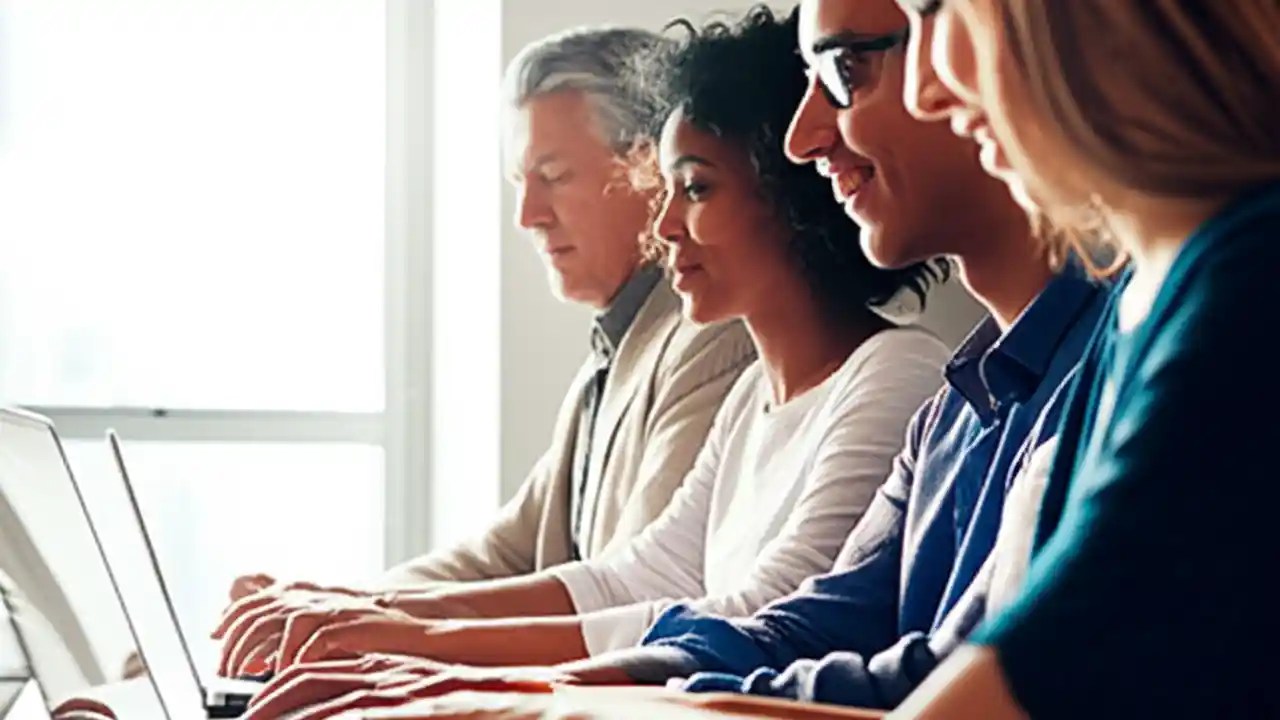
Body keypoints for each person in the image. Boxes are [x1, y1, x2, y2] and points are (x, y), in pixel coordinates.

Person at [234, 3, 1110, 717]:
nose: (813, 136)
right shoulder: (950, 404)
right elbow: (778, 626)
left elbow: (857, 651)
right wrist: (417, 645)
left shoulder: (917, 376)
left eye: (847, 71)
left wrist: (503, 685)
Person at [218, 25, 759, 651]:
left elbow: (635, 586)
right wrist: (336, 608)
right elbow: (502, 553)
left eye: (552, 176)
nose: (527, 214)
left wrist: (372, 626)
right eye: (518, 183)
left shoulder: (709, 335)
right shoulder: (616, 348)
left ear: (648, 171)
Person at [883, 1, 1280, 718]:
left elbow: (1021, 687)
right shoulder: (1143, 304)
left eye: (940, 8)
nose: (923, 89)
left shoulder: (1255, 290)